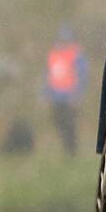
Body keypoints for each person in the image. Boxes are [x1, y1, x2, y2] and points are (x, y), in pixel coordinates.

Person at [44, 28, 87, 156]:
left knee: (70, 125)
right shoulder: (54, 55)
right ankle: (66, 149)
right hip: (56, 97)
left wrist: (77, 93)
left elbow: (82, 75)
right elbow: (48, 75)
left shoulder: (76, 55)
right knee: (59, 123)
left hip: (69, 97)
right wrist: (46, 93)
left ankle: (72, 151)